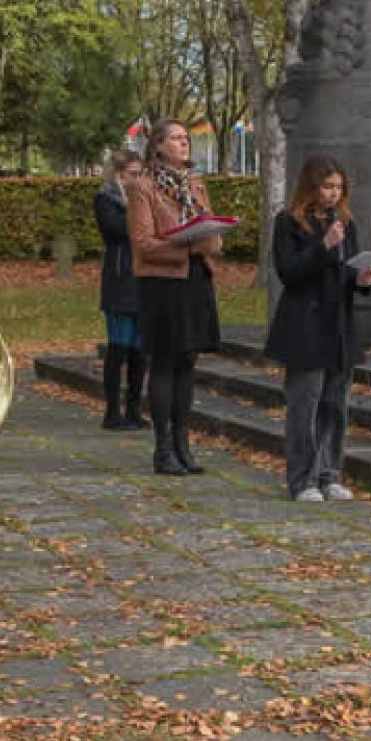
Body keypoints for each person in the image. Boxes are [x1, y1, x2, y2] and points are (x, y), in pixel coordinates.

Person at [264, 153, 371, 503]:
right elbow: (290, 272)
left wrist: (363, 278)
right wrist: (322, 246)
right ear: (311, 186)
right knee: (306, 406)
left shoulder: (345, 223)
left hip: (339, 324)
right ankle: (303, 480)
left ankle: (331, 474)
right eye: (327, 187)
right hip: (304, 324)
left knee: (335, 404)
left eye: (338, 188)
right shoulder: (288, 222)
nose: (333, 194)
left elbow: (347, 272)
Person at [126, 119, 223, 477]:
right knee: (165, 362)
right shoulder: (143, 187)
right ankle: (163, 448)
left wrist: (211, 238)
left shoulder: (195, 185)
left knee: (188, 361)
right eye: (177, 138)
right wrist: (186, 244)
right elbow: (143, 243)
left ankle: (184, 445)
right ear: (158, 145)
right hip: (163, 283)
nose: (185, 143)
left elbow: (211, 235)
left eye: (187, 138)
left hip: (196, 279)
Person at [93, 149, 148, 430]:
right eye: (132, 175)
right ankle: (113, 411)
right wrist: (138, 207)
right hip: (120, 278)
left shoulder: (143, 200)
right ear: (118, 176)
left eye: (141, 174)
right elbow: (117, 231)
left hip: (143, 278)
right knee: (119, 345)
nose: (138, 180)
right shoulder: (106, 200)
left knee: (140, 349)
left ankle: (134, 409)